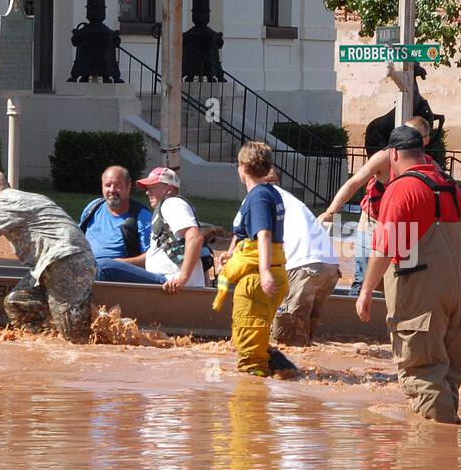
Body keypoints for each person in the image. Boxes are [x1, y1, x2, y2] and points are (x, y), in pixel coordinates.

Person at [356, 126, 461, 423]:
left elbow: (386, 245)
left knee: (422, 373)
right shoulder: (451, 187)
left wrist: (367, 290)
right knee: (447, 374)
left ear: (393, 154)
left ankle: (434, 456)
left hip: (421, 293)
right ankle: (449, 440)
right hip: (457, 291)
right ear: (423, 153)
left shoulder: (402, 189)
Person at [0, 171, 96, 343]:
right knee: (16, 303)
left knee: (75, 340)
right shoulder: (35, 197)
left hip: (64, 262)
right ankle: (44, 342)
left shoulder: (2, 205)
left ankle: (86, 352)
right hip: (62, 262)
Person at [318, 115, 435, 296]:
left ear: (425, 140)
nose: (407, 138)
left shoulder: (430, 165)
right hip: (374, 223)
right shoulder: (384, 157)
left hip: (404, 228)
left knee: (401, 279)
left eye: (414, 136)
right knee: (363, 278)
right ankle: (355, 315)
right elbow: (354, 182)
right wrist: (330, 211)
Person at [212, 144, 289, 375]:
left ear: (242, 168)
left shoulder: (258, 198)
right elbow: (247, 235)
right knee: (255, 336)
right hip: (266, 274)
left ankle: (251, 402)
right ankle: (286, 372)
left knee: (249, 349)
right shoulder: (267, 193)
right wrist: (232, 251)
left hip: (257, 279)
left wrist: (264, 272)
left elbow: (263, 234)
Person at [267, 173, 341, 346]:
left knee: (286, 340)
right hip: (329, 266)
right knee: (305, 339)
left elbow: (262, 239)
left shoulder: (262, 198)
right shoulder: (292, 201)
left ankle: (291, 373)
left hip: (305, 266)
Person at [126, 167, 207, 291]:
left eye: (152, 187)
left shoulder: (171, 204)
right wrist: (123, 263)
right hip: (168, 282)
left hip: (169, 282)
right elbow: (155, 254)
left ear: (168, 188)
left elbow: (195, 238)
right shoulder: (167, 208)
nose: (147, 192)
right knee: (109, 265)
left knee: (105, 267)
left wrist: (182, 279)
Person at [79, 166, 155, 284]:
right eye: (108, 185)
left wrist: (121, 263)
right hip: (85, 271)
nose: (112, 190)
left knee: (104, 266)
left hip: (117, 279)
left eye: (117, 185)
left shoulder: (141, 216)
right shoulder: (93, 208)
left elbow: (152, 257)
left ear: (128, 186)